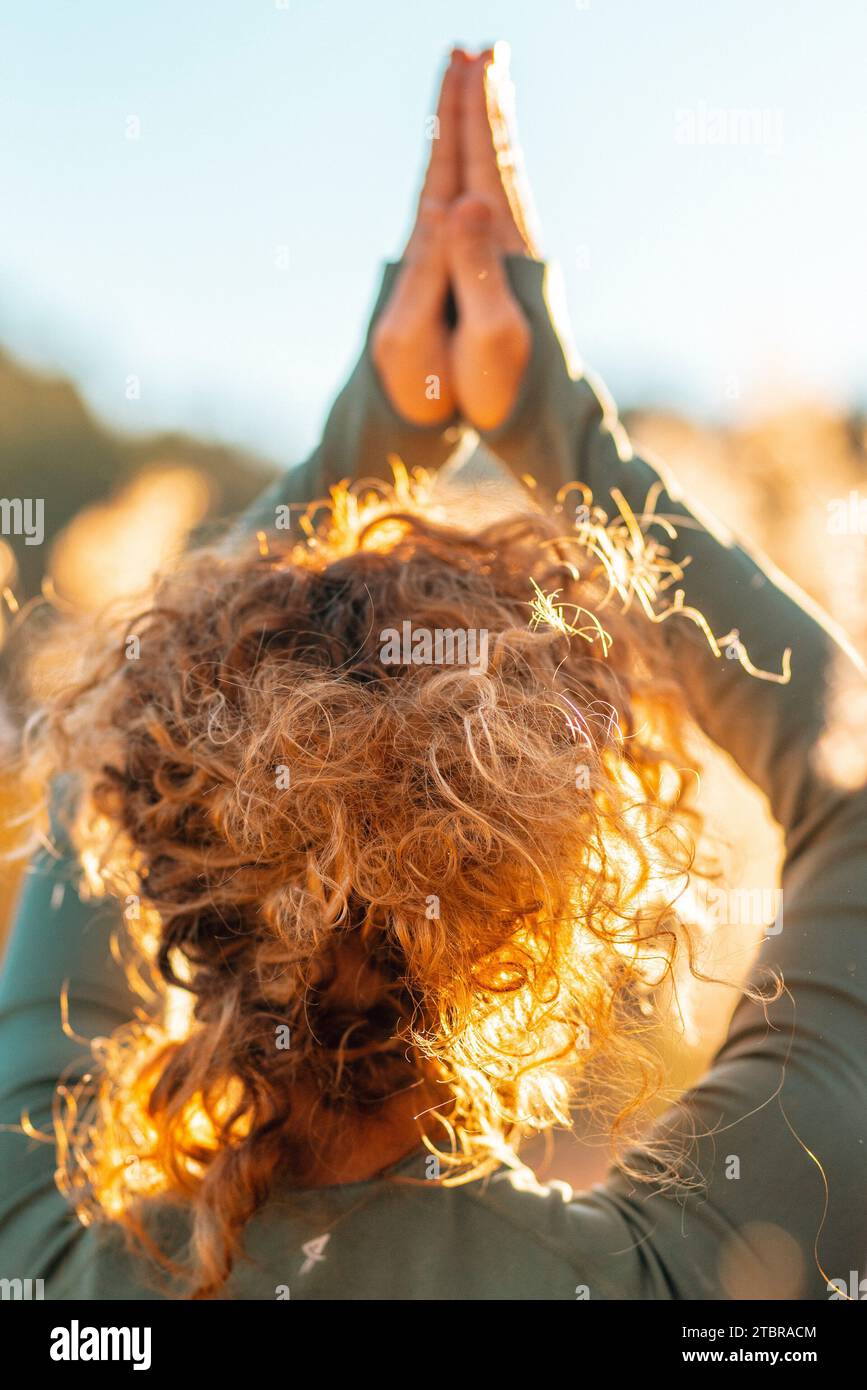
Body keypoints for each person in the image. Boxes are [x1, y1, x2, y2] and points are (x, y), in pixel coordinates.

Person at [0, 48, 864, 1303]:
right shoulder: (679, 1281)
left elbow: (100, 764)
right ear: (540, 915)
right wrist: (567, 432)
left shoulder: (49, 1265)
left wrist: (362, 438)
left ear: (177, 881)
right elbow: (847, 772)